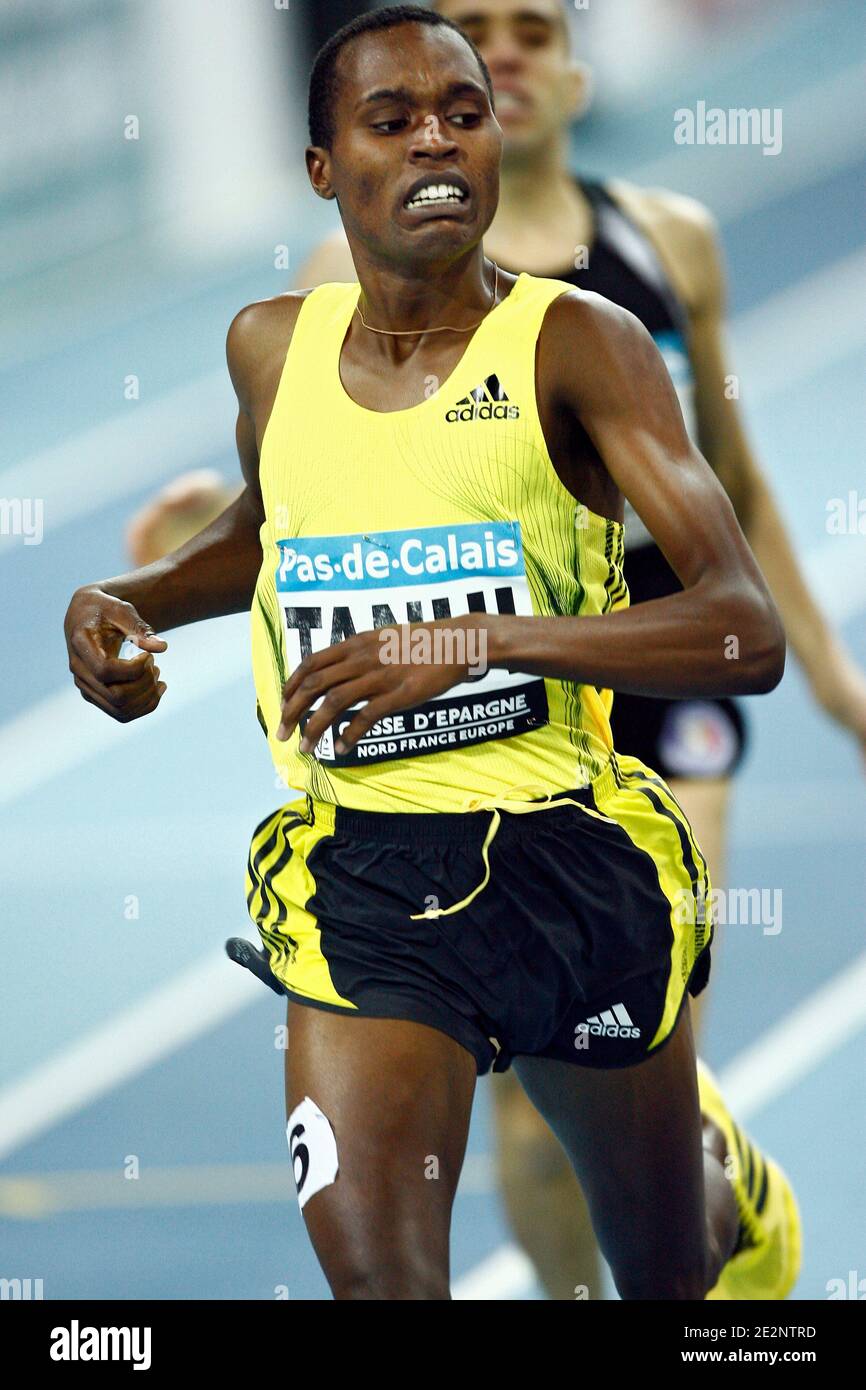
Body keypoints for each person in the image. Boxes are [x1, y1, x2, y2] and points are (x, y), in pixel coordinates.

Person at [64, 5, 799, 1301]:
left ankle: (714, 1178)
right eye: (390, 121)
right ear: (320, 166)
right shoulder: (269, 347)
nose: (436, 144)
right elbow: (265, 533)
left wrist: (473, 640)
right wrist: (127, 601)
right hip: (361, 875)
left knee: (667, 1284)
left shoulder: (579, 344)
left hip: (569, 859)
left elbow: (742, 630)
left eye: (460, 114)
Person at [293, 0, 866, 1298]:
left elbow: (736, 481)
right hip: (489, 716)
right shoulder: (355, 276)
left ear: (567, 72)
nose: (497, 53)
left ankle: (702, 1197)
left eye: (527, 32)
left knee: (647, 1040)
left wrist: (836, 680)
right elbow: (314, 468)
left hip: (663, 688)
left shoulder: (666, 243)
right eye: (471, 30)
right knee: (524, 1127)